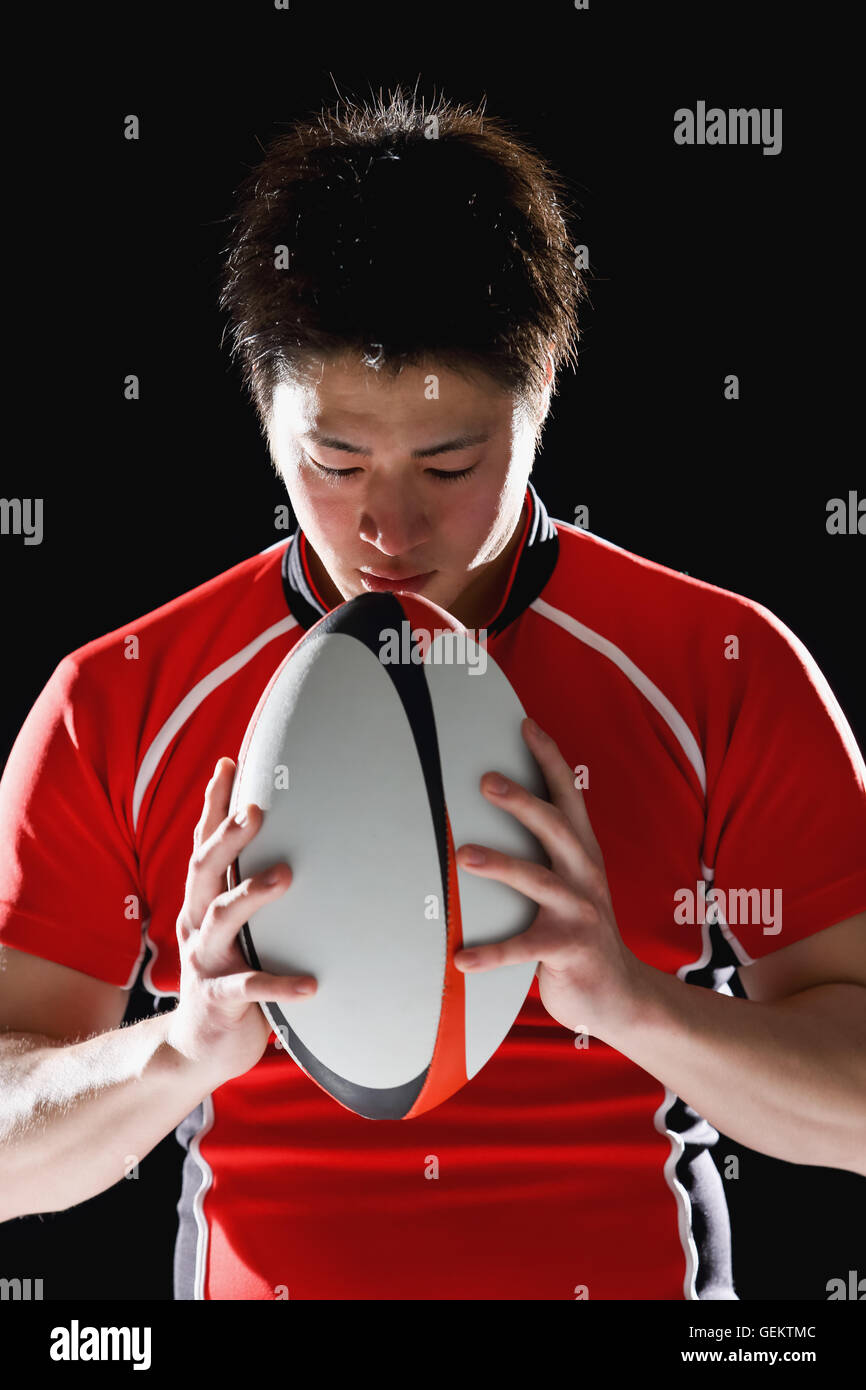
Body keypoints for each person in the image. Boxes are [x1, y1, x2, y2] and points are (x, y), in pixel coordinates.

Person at [1, 88, 864, 1302]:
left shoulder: (717, 664)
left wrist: (630, 1002)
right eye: (333, 461)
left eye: (450, 463)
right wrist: (176, 1052)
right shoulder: (118, 700)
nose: (385, 528)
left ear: (544, 391)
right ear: (262, 405)